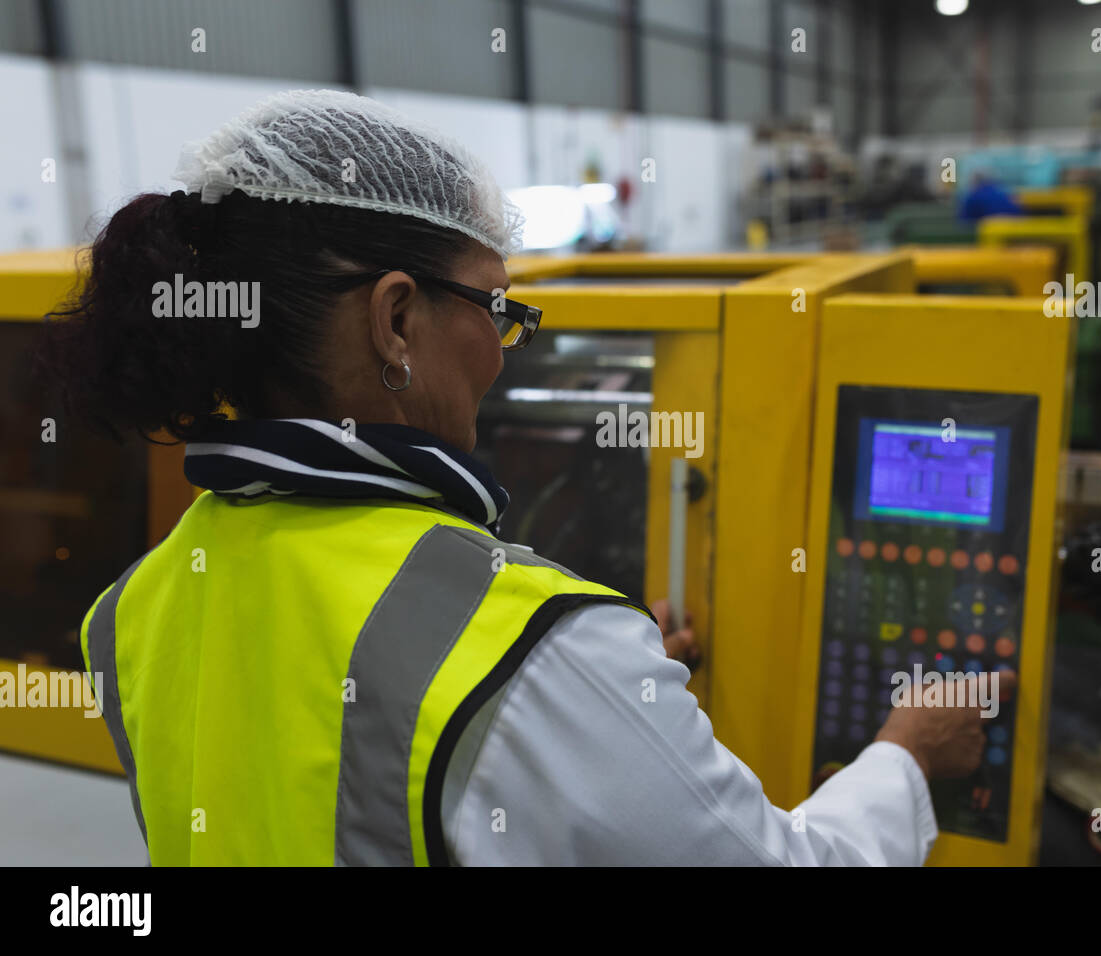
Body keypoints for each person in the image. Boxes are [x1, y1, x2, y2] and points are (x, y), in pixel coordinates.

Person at [42, 89, 990, 866]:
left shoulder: (136, 607)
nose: (502, 355)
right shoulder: (537, 654)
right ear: (396, 322)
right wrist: (905, 755)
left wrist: (603, 699)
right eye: (495, 310)